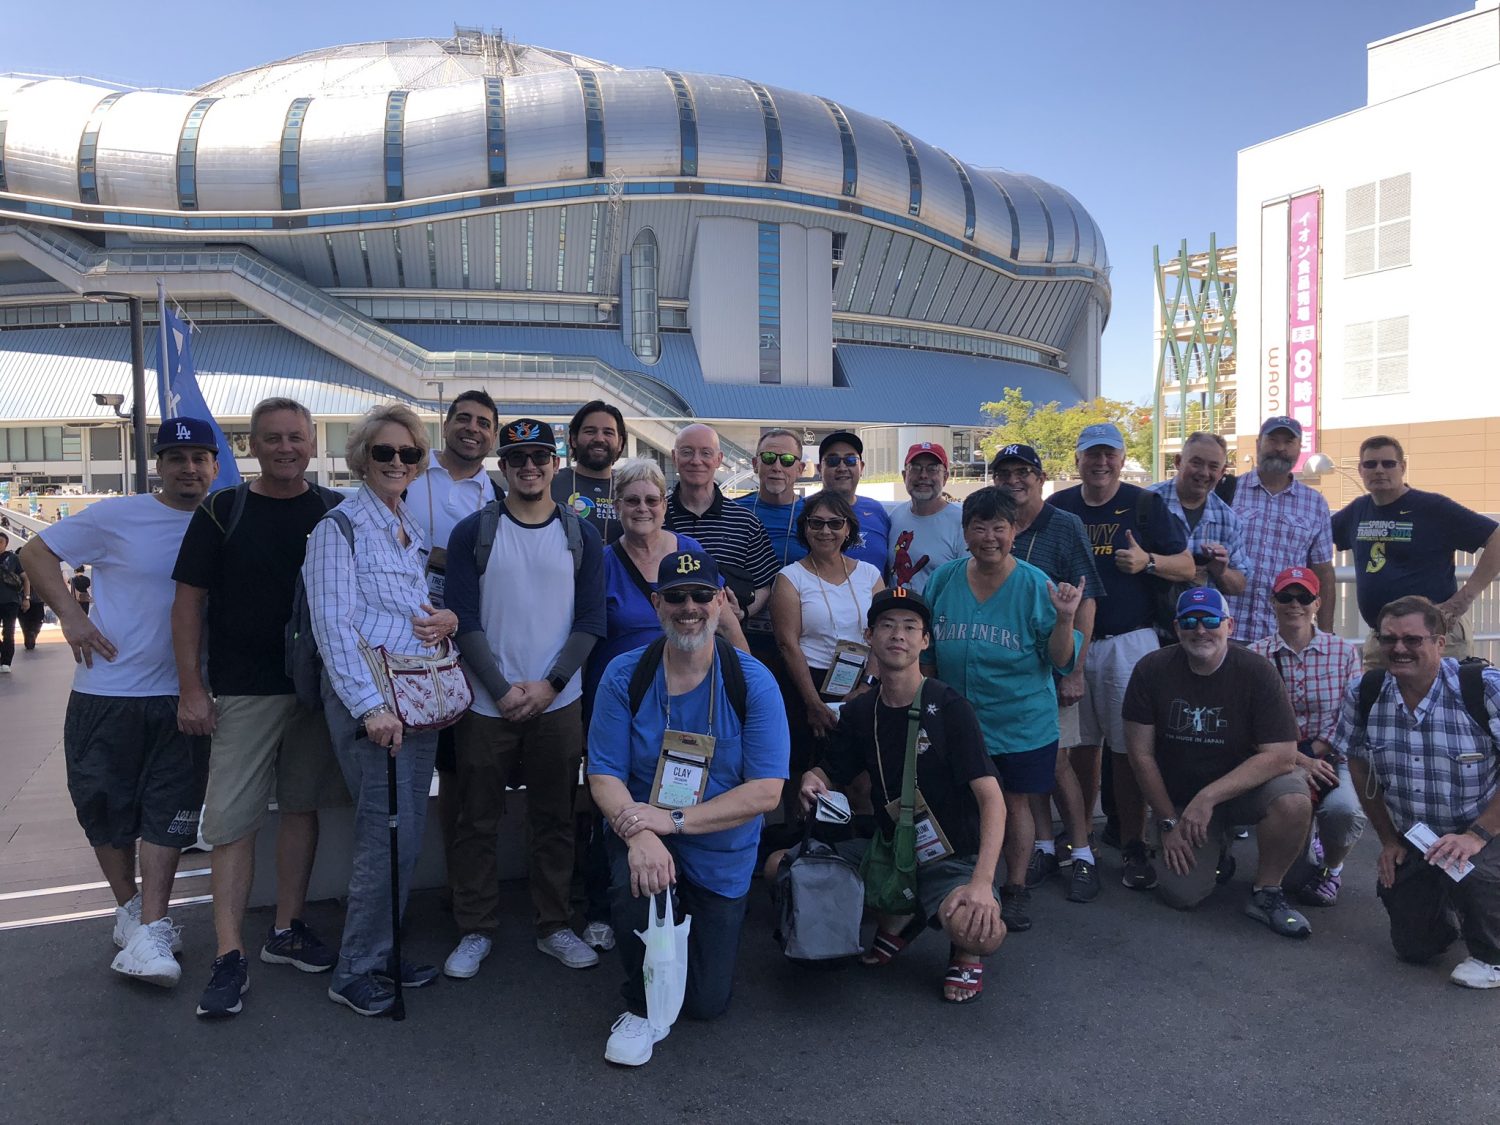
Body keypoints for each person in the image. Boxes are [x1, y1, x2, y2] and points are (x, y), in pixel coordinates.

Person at [19, 418, 220, 987]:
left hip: (185, 695)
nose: (189, 468)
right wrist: (72, 616)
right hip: (108, 693)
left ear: (214, 464)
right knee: (105, 807)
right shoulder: (118, 517)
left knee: (171, 811)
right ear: (159, 464)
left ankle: (153, 923)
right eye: (177, 457)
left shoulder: (223, 518)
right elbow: (35, 554)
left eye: (200, 458)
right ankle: (132, 911)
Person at [170, 397, 350, 1018]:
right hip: (244, 690)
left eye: (295, 438)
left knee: (301, 806)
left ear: (310, 442)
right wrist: (192, 687)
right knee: (232, 821)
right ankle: (228, 953)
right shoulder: (224, 509)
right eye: (272, 438)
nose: (284, 448)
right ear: (251, 445)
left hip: (314, 688)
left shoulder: (334, 510)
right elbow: (189, 603)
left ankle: (286, 928)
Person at [587, 547, 788, 1066]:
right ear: (657, 605)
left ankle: (684, 938)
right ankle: (638, 1006)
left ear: (722, 602)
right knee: (641, 880)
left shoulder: (752, 680)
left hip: (720, 850)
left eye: (702, 595)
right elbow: (603, 773)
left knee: (703, 1003)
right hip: (645, 833)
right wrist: (642, 833)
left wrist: (672, 821)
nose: (690, 607)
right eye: (676, 597)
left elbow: (767, 790)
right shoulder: (624, 674)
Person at [304, 403, 456, 1016]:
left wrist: (445, 617)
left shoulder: (404, 529)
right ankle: (356, 967)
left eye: (409, 453)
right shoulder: (337, 529)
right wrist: (369, 707)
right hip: (379, 707)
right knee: (380, 836)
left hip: (414, 698)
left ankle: (380, 947)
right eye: (384, 452)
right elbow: (332, 627)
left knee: (405, 832)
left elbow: (409, 609)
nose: (397, 462)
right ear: (362, 457)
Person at [443, 418, 606, 979]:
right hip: (487, 706)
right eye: (518, 459)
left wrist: (549, 685)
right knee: (476, 819)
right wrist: (501, 688)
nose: (530, 467)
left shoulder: (580, 534)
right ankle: (475, 928)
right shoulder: (473, 532)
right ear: (503, 467)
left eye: (540, 457)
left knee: (555, 818)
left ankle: (553, 924)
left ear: (555, 466)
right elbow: (463, 620)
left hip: (558, 704)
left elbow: (590, 621)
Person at [796, 588, 1006, 1003]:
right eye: (888, 626)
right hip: (890, 850)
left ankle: (962, 951)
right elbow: (830, 770)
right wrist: (811, 778)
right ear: (869, 635)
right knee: (783, 868)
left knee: (981, 930)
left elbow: (993, 799)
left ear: (925, 641)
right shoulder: (860, 711)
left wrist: (982, 882)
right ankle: (901, 916)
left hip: (951, 855)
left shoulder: (950, 707)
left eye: (911, 627)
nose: (899, 635)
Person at [924, 487, 1083, 932]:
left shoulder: (1036, 585)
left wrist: (1066, 618)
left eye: (1000, 527)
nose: (989, 536)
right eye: (979, 526)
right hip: (956, 719)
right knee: (956, 803)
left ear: (1015, 531)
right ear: (965, 531)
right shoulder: (945, 578)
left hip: (1019, 721)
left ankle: (1013, 888)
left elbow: (1059, 658)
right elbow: (929, 648)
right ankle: (959, 883)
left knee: (1015, 805)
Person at [1122, 587, 1316, 937]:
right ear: (1176, 627)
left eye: (1211, 620)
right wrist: (1167, 821)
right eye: (1190, 621)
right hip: (1180, 796)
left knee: (1293, 798)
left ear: (1229, 624)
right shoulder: (1151, 669)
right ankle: (1217, 850)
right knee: (1181, 895)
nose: (1200, 630)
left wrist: (1208, 797)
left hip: (1242, 790)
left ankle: (1267, 891)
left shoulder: (1257, 672)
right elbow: (1141, 754)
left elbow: (1284, 756)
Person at [1048, 423, 1193, 890]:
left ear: (1122, 457)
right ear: (1078, 460)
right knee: (1080, 747)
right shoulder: (1061, 506)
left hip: (1129, 641)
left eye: (1109, 454)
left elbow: (1188, 566)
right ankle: (1082, 840)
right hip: (1072, 640)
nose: (1100, 462)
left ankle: (1133, 843)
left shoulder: (1144, 503)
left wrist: (1147, 562)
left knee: (1129, 749)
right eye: (1092, 454)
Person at [1330, 595, 1500, 989]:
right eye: (1388, 639)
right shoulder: (1366, 692)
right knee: (1414, 947)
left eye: (1412, 639)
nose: (1399, 648)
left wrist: (1476, 836)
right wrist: (1388, 839)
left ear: (1440, 643)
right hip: (1418, 835)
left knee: (1476, 871)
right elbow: (1357, 761)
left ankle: (1492, 956)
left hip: (1484, 826)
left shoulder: (1483, 688)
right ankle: (1452, 908)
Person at [991, 443, 1104, 903]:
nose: (1014, 480)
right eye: (1005, 473)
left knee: (1057, 763)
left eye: (1024, 472)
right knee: (1028, 763)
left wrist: (1075, 670)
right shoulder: (996, 521)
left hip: (1055, 663)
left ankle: (1081, 852)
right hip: (1015, 670)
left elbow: (1088, 599)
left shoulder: (1064, 524)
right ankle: (1041, 843)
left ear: (1040, 477)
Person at [399, 389, 501, 891]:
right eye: (464, 418)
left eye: (483, 423)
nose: (472, 428)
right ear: (446, 424)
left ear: (493, 436)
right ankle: (399, 890)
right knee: (405, 772)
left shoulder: (497, 496)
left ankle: (458, 884)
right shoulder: (409, 474)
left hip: (463, 646)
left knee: (460, 769)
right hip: (400, 643)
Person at [1246, 566, 1365, 907]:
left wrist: (1317, 751)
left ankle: (1332, 867)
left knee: (1344, 811)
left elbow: (1351, 713)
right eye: (1285, 596)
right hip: (1275, 755)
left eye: (1304, 597)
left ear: (1318, 602)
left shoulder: (1343, 652)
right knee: (1293, 874)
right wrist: (1298, 759)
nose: (1294, 604)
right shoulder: (1256, 656)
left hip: (1330, 754)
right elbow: (1249, 721)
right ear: (1273, 601)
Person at [1332, 435, 1500, 666]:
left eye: (1388, 463)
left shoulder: (1433, 508)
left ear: (1403, 467)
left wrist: (1464, 598)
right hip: (1383, 639)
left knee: (1441, 701)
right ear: (1360, 469)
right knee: (1377, 701)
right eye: (1371, 464)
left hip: (1433, 639)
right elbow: (1314, 536)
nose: (1379, 470)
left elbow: (1496, 538)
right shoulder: (1358, 511)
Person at [771, 490, 885, 792]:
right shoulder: (790, 578)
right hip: (808, 682)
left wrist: (867, 685)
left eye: (835, 524)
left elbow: (880, 634)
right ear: (804, 528)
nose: (825, 531)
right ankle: (806, 837)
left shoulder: (870, 575)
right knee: (805, 771)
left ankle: (853, 837)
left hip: (861, 683)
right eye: (816, 523)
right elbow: (787, 643)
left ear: (848, 528)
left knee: (860, 774)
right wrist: (812, 701)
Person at [1228, 416, 1336, 643]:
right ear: (1258, 444)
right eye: (1272, 440)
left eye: (1288, 442)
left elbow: (1323, 572)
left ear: (1299, 448)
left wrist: (1325, 635)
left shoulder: (1315, 503)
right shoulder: (1228, 491)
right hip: (1226, 628)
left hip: (1283, 635)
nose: (1279, 448)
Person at [664, 423, 779, 626]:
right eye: (687, 452)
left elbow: (764, 584)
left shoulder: (746, 522)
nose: (696, 460)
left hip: (725, 638)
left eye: (705, 453)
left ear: (719, 459)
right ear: (675, 457)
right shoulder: (656, 516)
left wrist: (743, 613)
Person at [732, 428, 806, 667]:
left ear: (800, 469)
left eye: (786, 460)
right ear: (756, 464)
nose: (777, 467)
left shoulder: (817, 517)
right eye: (768, 458)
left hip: (801, 638)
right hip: (741, 630)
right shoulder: (732, 512)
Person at [1148, 431, 1249, 602]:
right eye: (1196, 463)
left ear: (1223, 471)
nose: (1204, 472)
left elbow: (1240, 585)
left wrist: (1221, 571)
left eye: (1213, 467)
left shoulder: (1228, 519)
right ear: (1178, 462)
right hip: (1150, 623)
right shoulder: (1147, 502)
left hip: (1202, 626)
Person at [887, 442, 965, 595]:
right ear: (904, 476)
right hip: (899, 615)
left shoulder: (962, 523)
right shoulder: (895, 516)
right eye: (915, 468)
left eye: (932, 469)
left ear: (945, 477)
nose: (923, 475)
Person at [553, 399, 627, 546]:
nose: (599, 438)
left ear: (619, 443)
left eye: (608, 432)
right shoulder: (550, 484)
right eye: (590, 431)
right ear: (573, 439)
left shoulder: (630, 487)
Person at [815, 431, 890, 572]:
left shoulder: (877, 510)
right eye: (833, 461)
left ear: (861, 467)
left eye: (850, 460)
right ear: (820, 469)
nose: (842, 468)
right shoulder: (804, 511)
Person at [0, 529, 29, 672]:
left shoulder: (13, 559)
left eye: (1, 542)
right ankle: (3, 651)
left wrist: (26, 598)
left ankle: (6, 662)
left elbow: (25, 578)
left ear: (6, 544)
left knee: (8, 631)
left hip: (10, 601)